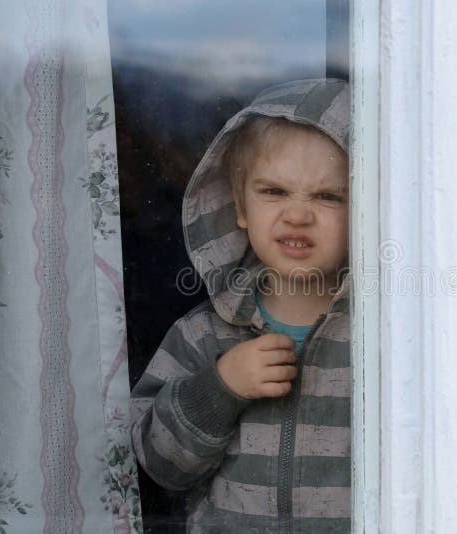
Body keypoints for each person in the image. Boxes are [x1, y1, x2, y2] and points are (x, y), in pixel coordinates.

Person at [130, 78, 351, 533]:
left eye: (328, 196)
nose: (297, 214)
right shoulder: (203, 334)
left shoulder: (383, 340)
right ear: (241, 206)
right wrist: (220, 387)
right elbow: (159, 465)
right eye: (274, 191)